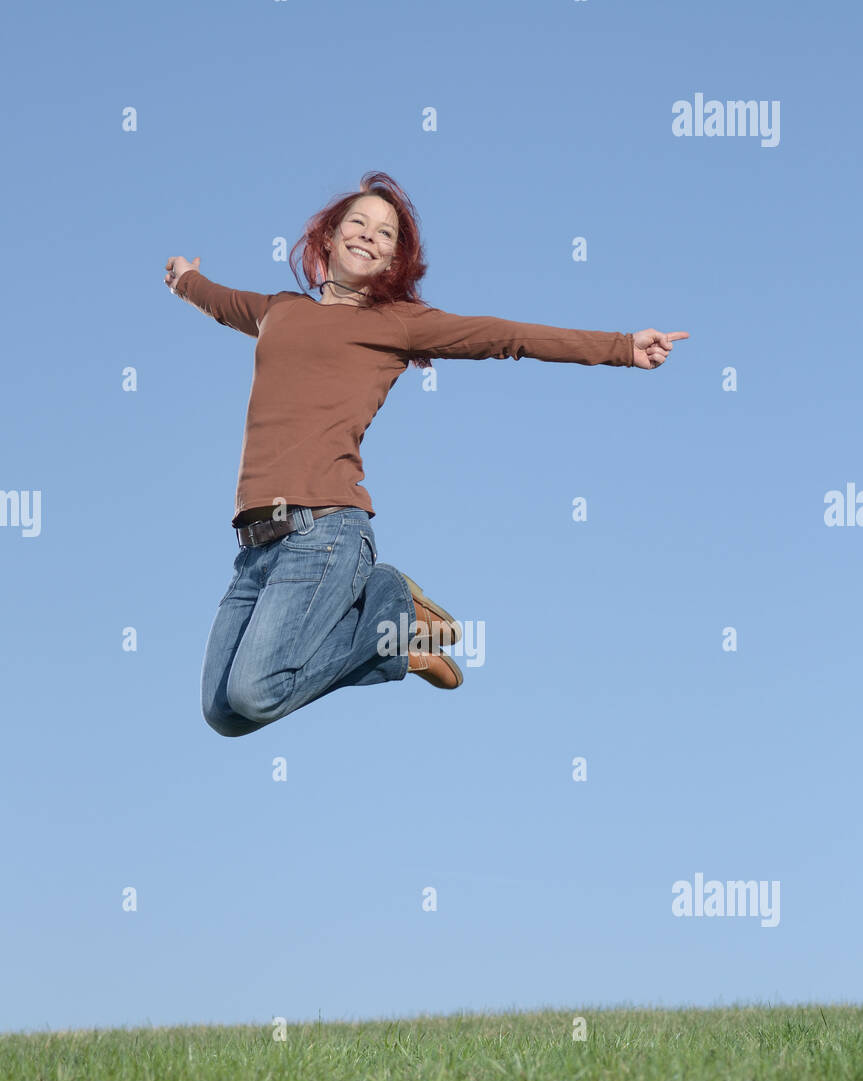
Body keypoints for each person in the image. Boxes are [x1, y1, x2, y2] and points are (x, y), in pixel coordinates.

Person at [165, 171, 688, 737]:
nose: (369, 235)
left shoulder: (396, 324)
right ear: (327, 239)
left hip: (323, 531)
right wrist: (185, 279)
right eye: (357, 223)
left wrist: (619, 347)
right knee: (225, 714)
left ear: (394, 260)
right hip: (252, 547)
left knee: (255, 692)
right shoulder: (277, 311)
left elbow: (505, 336)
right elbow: (215, 301)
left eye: (385, 234)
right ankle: (396, 643)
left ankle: (389, 603)